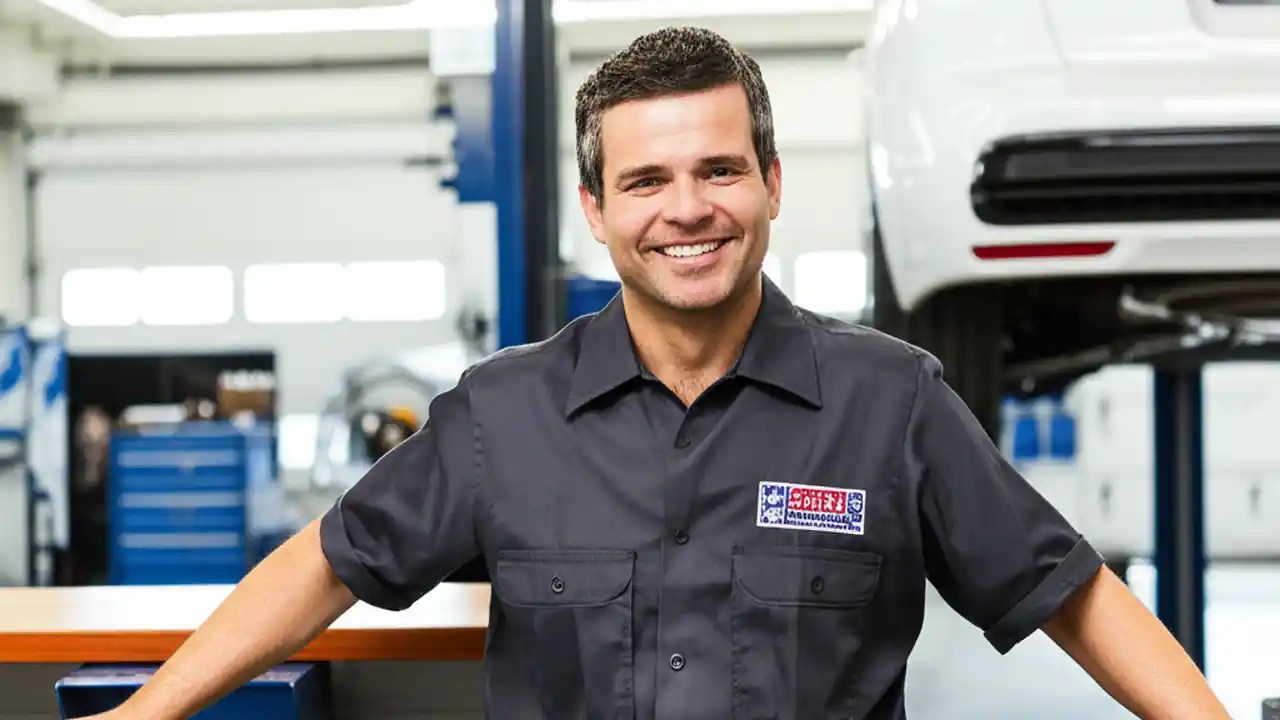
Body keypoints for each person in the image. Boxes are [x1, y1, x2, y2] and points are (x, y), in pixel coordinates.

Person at [82, 26, 1229, 720]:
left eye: (718, 170)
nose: (687, 209)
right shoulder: (501, 415)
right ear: (595, 209)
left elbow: (1069, 593)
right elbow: (329, 561)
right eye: (644, 182)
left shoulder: (890, 404)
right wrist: (148, 712)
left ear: (771, 182)